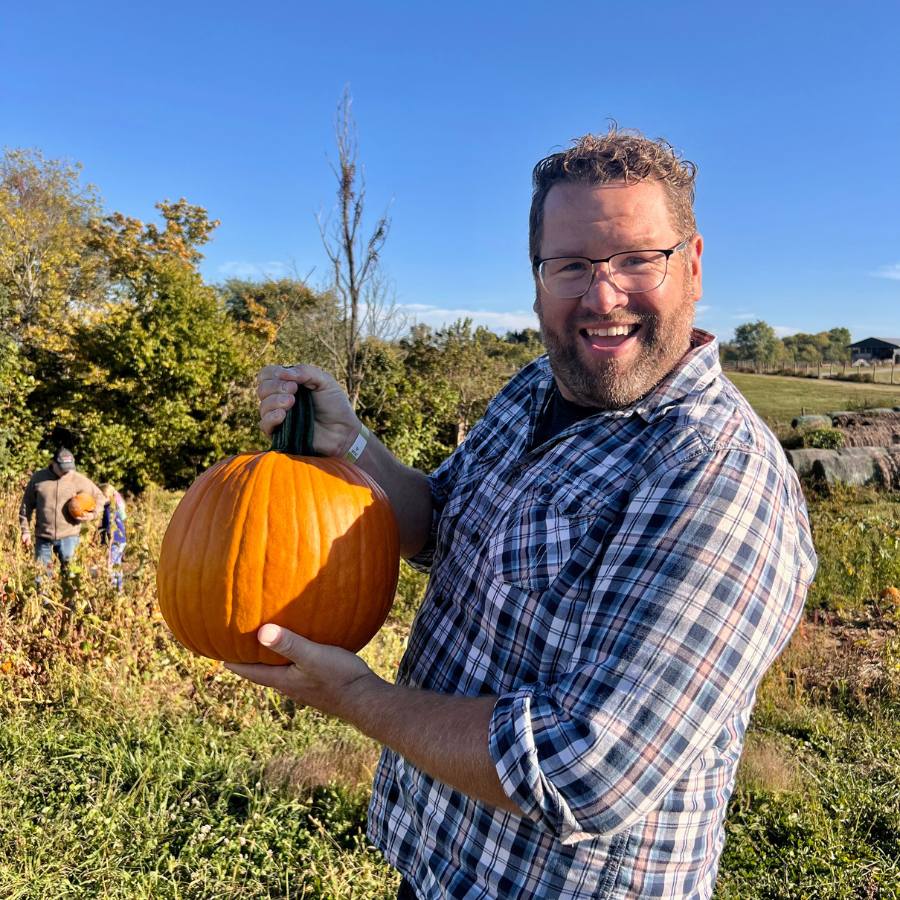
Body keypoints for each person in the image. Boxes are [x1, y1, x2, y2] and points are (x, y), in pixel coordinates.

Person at [230, 127, 818, 900]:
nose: (603, 297)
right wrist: (353, 446)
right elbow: (439, 524)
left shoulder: (717, 476)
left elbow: (587, 771)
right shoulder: (534, 389)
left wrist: (356, 697)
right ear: (537, 277)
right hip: (445, 864)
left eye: (640, 259)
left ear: (694, 265)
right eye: (572, 265)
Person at [19, 447, 106, 591]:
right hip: (43, 538)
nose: (67, 472)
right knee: (42, 576)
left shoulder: (77, 479)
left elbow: (100, 497)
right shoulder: (39, 478)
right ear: (53, 463)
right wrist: (25, 531)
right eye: (63, 468)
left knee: (71, 575)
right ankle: (45, 607)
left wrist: (92, 514)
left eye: (69, 468)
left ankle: (70, 608)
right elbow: (26, 505)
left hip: (69, 537)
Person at [98, 483, 127, 592]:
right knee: (117, 565)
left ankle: (114, 590)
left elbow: (109, 526)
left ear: (106, 496)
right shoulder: (115, 506)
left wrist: (105, 537)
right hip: (121, 540)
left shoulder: (109, 508)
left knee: (111, 566)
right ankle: (119, 589)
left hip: (114, 541)